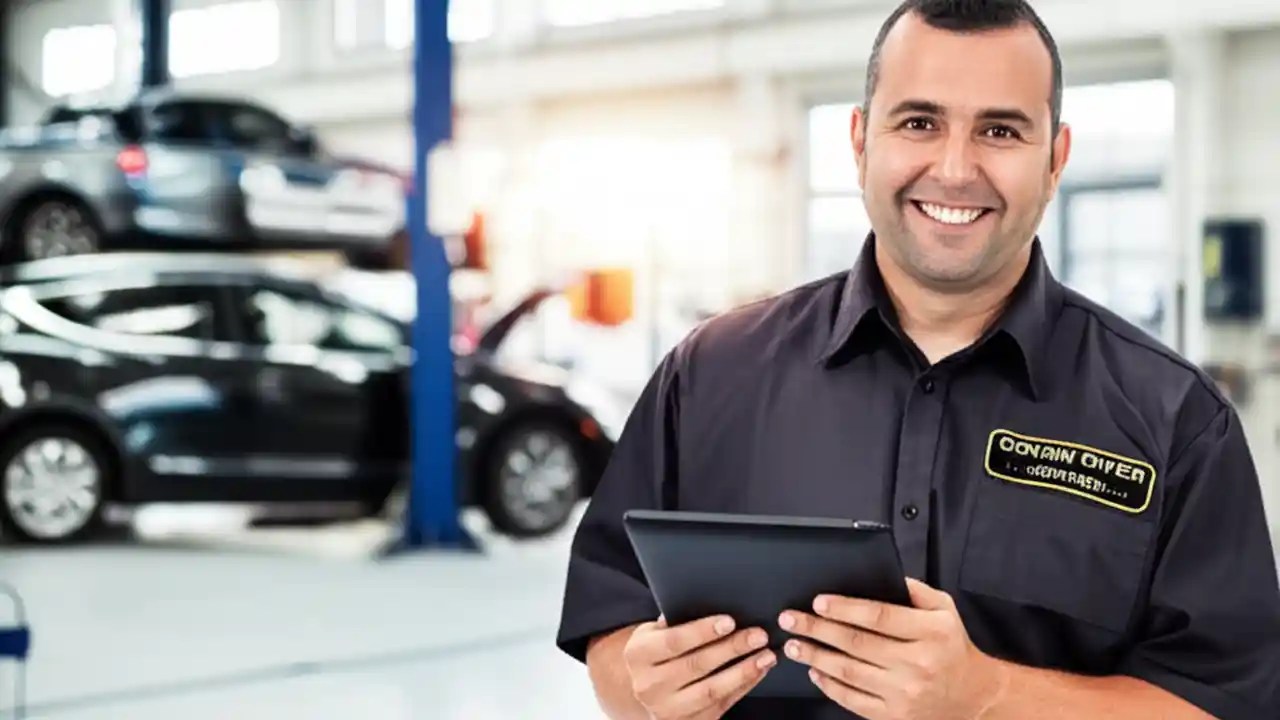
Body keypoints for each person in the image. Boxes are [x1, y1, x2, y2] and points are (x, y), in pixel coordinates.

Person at [555, 1, 1280, 718]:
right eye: (920, 122)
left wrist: (988, 695)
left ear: (1055, 159)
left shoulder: (1174, 419)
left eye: (1000, 129)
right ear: (861, 139)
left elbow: (1223, 702)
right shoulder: (711, 376)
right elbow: (613, 623)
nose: (956, 168)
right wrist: (641, 687)